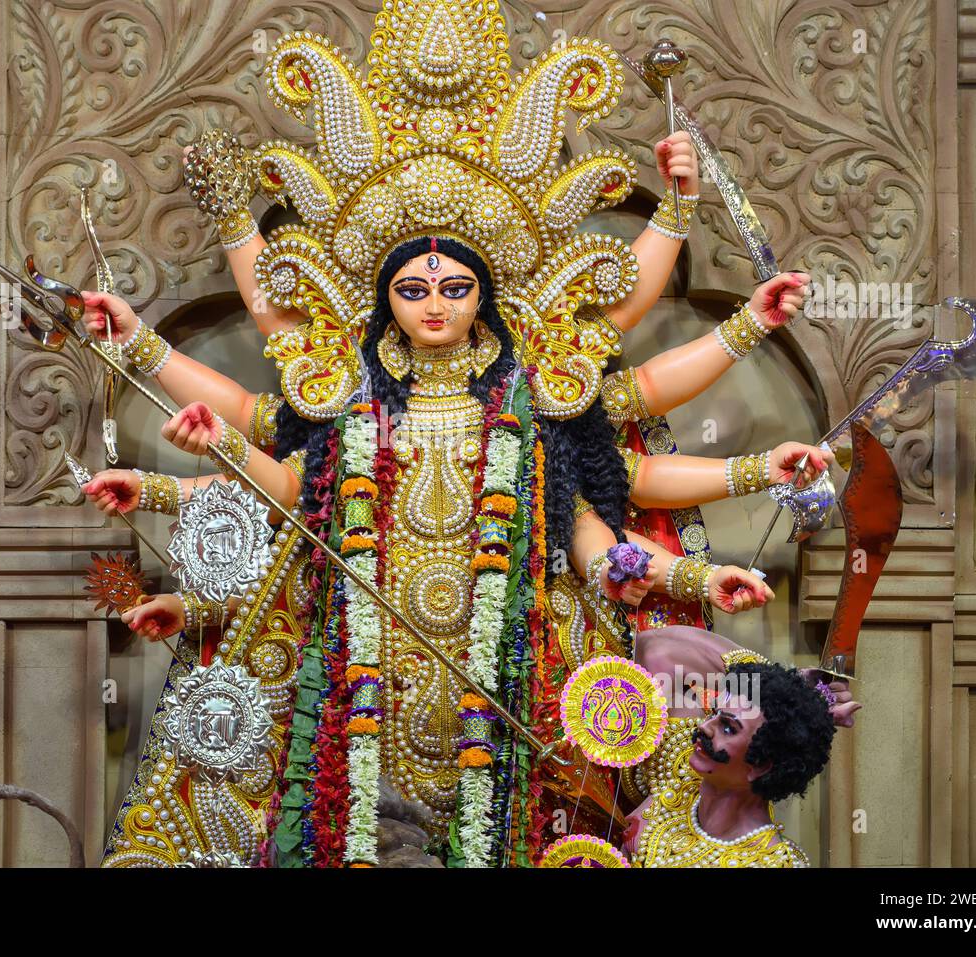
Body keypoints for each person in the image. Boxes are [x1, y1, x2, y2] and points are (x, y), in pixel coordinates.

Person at [88, 0, 830, 868]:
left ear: (486, 293)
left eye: (453, 288)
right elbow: (286, 492)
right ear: (384, 299)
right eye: (412, 289)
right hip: (357, 680)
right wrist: (164, 390)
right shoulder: (351, 394)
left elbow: (602, 539)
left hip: (511, 689)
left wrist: (707, 565)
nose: (434, 303)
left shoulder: (529, 398)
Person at [623, 625, 859, 867]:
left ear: (761, 765)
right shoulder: (682, 770)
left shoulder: (772, 862)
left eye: (728, 728)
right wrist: (782, 680)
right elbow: (656, 647)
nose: (705, 727)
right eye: (714, 714)